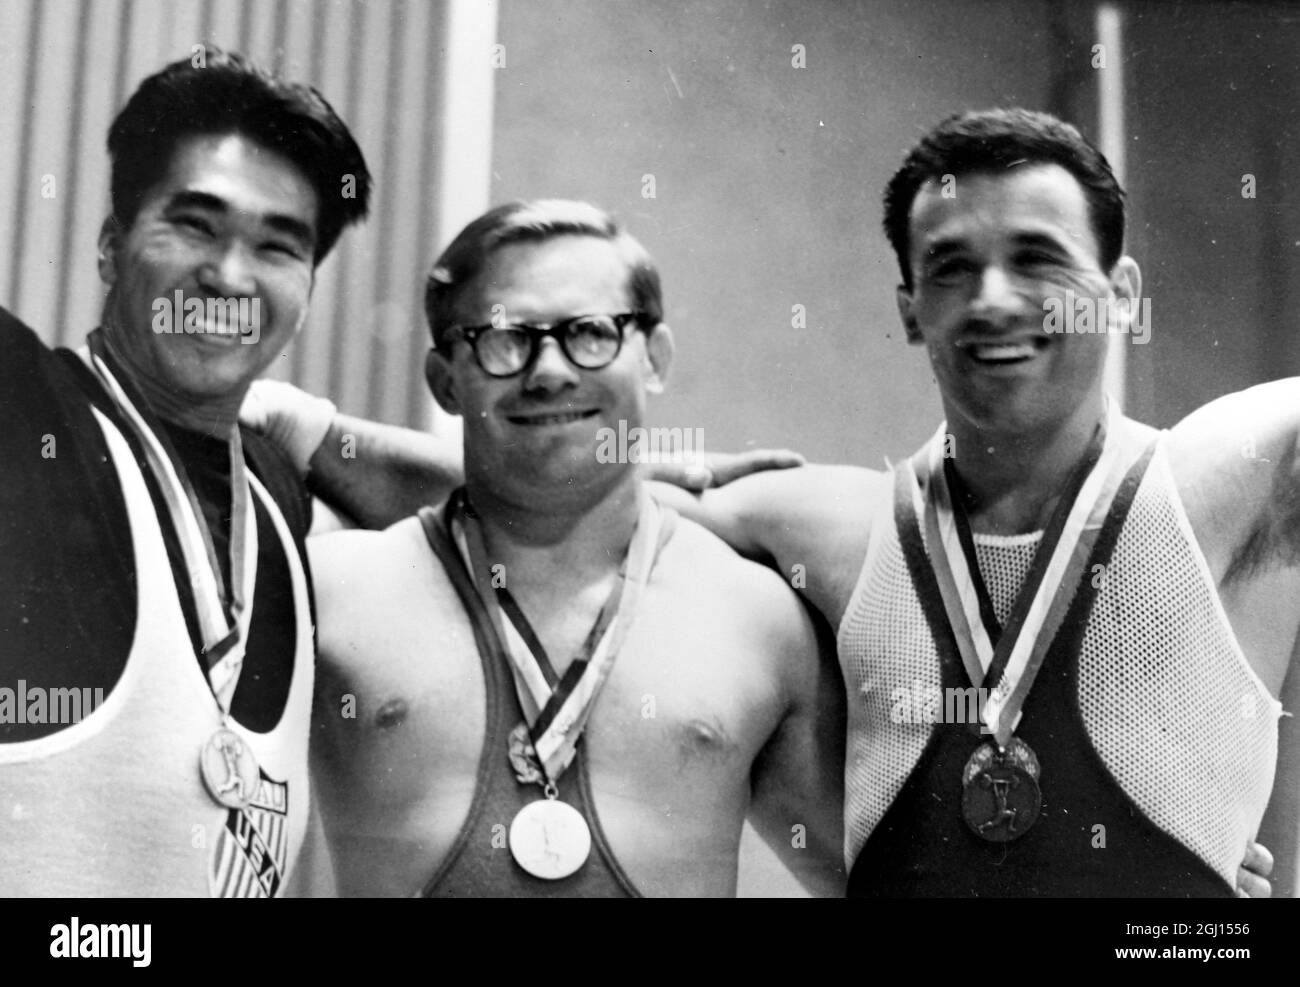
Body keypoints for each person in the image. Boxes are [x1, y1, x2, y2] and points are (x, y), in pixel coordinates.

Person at [652, 108, 1292, 896]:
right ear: (910, 310)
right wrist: (656, 463)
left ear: (1120, 294)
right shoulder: (828, 531)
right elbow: (544, 504)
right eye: (951, 267)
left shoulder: (1223, 485)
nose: (992, 299)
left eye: (1036, 258)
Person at [0, 48, 461, 896]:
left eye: (279, 246)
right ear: (111, 246)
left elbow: (526, 505)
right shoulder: (28, 420)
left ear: (308, 290)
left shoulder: (275, 498)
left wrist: (309, 426)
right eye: (196, 225)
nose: (230, 275)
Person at [303, 200, 846, 897]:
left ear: (654, 357)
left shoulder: (758, 618)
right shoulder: (332, 594)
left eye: (591, 333)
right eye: (505, 340)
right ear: (444, 380)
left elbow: (878, 884)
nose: (551, 371)